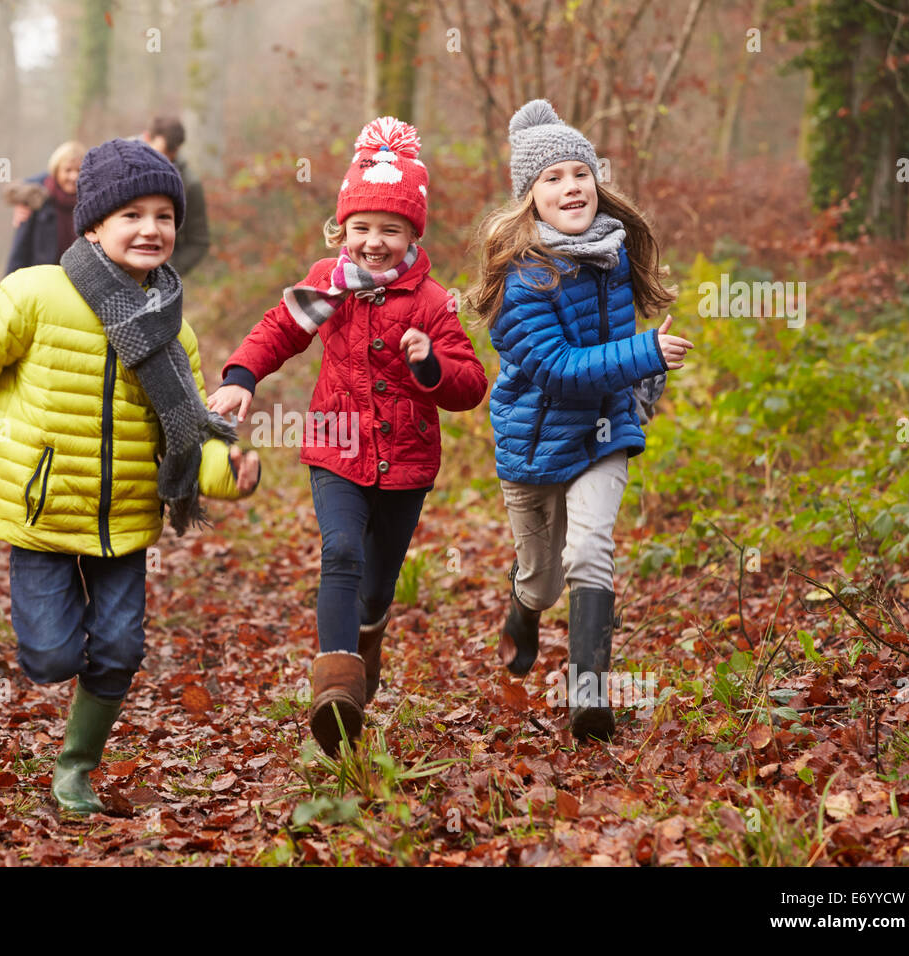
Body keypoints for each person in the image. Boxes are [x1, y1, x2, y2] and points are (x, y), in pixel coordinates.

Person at [0, 138, 261, 814]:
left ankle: (74, 769)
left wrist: (230, 468)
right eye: (132, 214)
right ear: (92, 223)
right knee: (51, 658)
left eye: (165, 216)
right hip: (43, 514)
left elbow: (193, 434)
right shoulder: (32, 295)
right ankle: (59, 664)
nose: (152, 229)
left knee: (119, 651)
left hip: (125, 521)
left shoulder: (175, 329)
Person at [208, 117, 487, 756]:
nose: (374, 242)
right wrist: (243, 376)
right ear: (343, 230)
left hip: (408, 460)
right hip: (336, 447)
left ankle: (367, 639)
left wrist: (429, 366)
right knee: (340, 551)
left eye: (391, 230)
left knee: (379, 582)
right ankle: (334, 681)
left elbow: (470, 385)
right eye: (362, 228)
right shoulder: (329, 284)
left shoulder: (434, 302)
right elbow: (280, 327)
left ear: (413, 233)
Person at [467, 99, 694, 742]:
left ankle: (590, 697)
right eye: (553, 178)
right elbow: (559, 367)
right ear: (529, 197)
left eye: (580, 173)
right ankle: (524, 606)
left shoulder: (614, 255)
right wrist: (643, 352)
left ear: (597, 180)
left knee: (590, 549)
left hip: (603, 433)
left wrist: (644, 376)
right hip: (536, 444)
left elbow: (613, 345)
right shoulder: (521, 279)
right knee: (541, 578)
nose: (571, 187)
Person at [3, 140, 85, 275]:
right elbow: (20, 249)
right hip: (40, 279)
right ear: (56, 171)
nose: (73, 176)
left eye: (79, 170)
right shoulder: (36, 200)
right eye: (68, 170)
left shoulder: (91, 203)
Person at [140, 116, 209, 277]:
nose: (166, 159)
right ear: (147, 138)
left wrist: (167, 271)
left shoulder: (189, 184)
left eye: (173, 152)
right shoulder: (116, 165)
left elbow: (199, 241)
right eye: (162, 151)